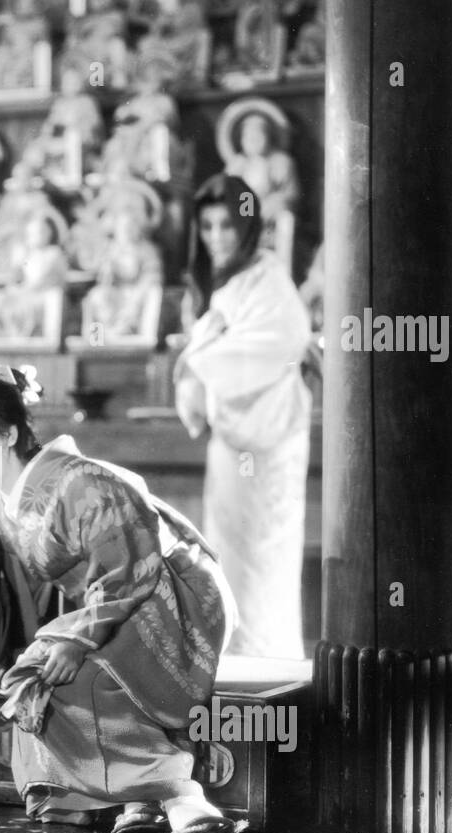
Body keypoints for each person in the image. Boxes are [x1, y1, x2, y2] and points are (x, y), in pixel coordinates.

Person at [0, 365, 242, 833]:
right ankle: (140, 803)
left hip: (169, 598)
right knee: (33, 684)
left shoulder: (80, 482)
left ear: (9, 433)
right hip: (112, 605)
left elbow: (130, 567)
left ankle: (186, 801)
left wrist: (76, 640)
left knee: (78, 685)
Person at [174, 174, 312, 659]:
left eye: (227, 225)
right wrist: (202, 353)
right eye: (207, 226)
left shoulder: (269, 280)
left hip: (270, 441)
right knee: (227, 554)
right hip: (230, 444)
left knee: (264, 559)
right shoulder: (224, 286)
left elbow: (279, 344)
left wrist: (200, 358)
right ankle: (230, 661)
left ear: (247, 227)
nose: (216, 237)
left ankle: (268, 664)